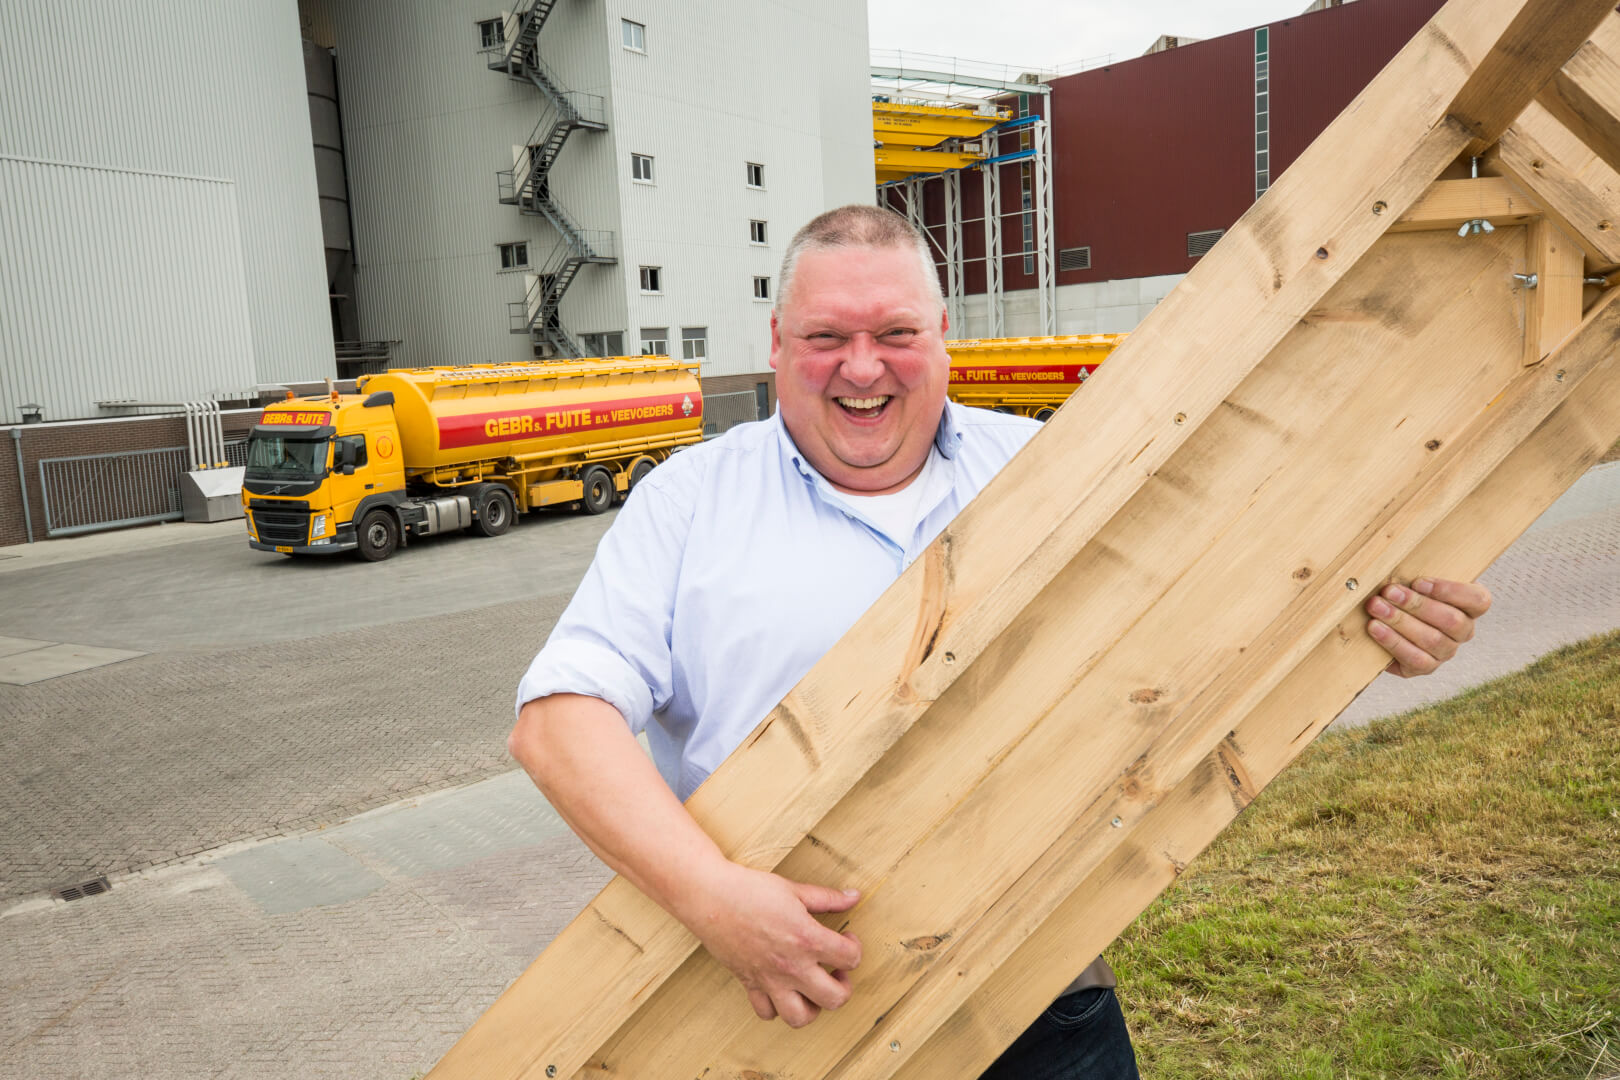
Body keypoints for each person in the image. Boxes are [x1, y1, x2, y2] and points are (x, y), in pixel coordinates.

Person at [508, 205, 1492, 1077]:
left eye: (896, 333)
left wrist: (1376, 618)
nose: (862, 367)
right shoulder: (687, 503)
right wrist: (717, 900)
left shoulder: (1050, 470)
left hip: (1041, 999)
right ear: (775, 342)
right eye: (826, 336)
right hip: (784, 1012)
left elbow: (1219, 617)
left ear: (945, 334)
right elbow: (558, 724)